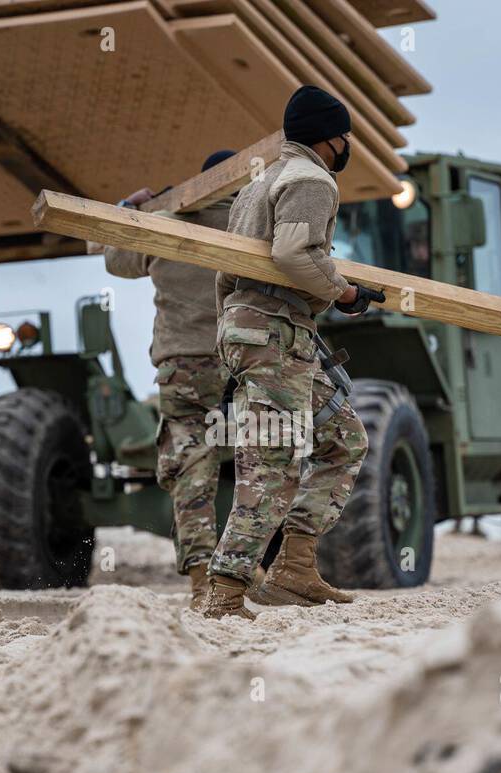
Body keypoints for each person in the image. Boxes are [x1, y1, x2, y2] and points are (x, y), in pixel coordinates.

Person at [201, 85, 380, 620]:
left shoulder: (259, 184)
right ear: (328, 138)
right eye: (344, 134)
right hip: (274, 336)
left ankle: (295, 569)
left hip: (270, 332)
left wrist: (235, 329)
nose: (347, 144)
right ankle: (226, 593)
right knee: (271, 465)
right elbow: (292, 253)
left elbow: (229, 272)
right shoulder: (310, 179)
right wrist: (343, 292)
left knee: (344, 440)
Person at [98, 149, 238, 609]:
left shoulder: (166, 222)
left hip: (182, 365)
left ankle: (201, 580)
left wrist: (129, 209)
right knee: (265, 465)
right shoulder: (250, 221)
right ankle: (249, 569)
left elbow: (113, 256)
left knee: (191, 470)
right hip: (243, 361)